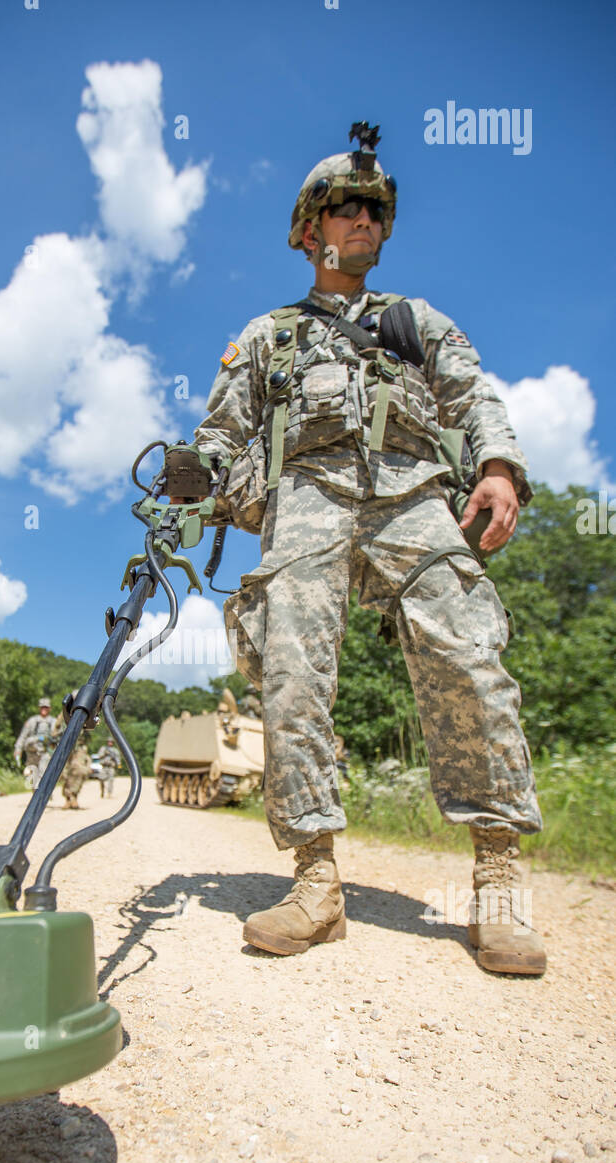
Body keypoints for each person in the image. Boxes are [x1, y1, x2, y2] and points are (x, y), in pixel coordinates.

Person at [193, 122, 545, 975]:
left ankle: (496, 883)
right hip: (306, 498)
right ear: (311, 229)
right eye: (345, 209)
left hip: (414, 495)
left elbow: (472, 397)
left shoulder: (415, 322)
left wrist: (497, 464)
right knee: (291, 671)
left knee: (469, 653)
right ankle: (316, 883)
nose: (364, 222)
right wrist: (193, 481)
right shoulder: (269, 334)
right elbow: (219, 434)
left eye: (375, 213)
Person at [53, 697, 92, 809]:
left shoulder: (86, 712)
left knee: (80, 771)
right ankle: (68, 798)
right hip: (65, 747)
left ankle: (74, 796)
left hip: (79, 748)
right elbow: (55, 731)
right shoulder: (63, 714)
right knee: (65, 773)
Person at [14, 696, 55, 790]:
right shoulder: (32, 721)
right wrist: (18, 750)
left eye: (46, 707)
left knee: (42, 774)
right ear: (39, 708)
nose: (44, 709)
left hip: (45, 753)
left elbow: (58, 738)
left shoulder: (53, 722)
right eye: (42, 707)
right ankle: (37, 794)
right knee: (32, 777)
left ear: (49, 709)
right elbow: (22, 737)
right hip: (32, 753)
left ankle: (41, 794)